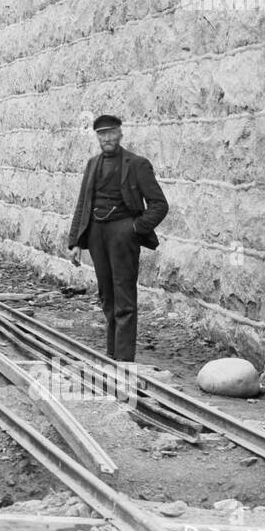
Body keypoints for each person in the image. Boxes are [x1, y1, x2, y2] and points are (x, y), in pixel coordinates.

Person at [67, 115, 169, 363]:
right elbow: (82, 204)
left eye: (111, 133)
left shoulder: (137, 164)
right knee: (106, 295)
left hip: (123, 235)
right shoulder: (92, 164)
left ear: (120, 134)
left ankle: (123, 360)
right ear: (97, 137)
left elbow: (159, 205)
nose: (107, 138)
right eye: (102, 134)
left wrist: (134, 228)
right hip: (96, 234)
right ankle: (111, 355)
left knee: (124, 296)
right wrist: (75, 242)